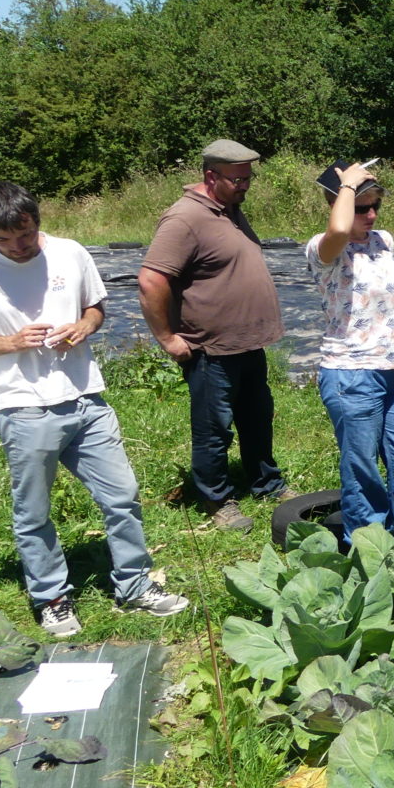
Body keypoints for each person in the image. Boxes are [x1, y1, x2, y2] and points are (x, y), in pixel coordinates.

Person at [0, 182, 189, 638]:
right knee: (34, 510)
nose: (16, 246)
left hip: (85, 396)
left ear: (37, 221)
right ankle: (52, 596)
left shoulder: (71, 253)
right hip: (20, 404)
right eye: (3, 239)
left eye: (25, 235)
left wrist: (84, 326)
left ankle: (133, 585)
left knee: (122, 495)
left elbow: (96, 308)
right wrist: (9, 343)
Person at [138, 138, 287, 532]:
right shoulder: (185, 218)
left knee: (257, 418)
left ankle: (266, 482)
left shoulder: (229, 210)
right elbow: (151, 280)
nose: (245, 186)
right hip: (210, 348)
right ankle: (216, 498)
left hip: (247, 343)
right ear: (210, 176)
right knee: (213, 428)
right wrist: (168, 338)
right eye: (237, 179)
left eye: (248, 178)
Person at [307, 162, 394, 541]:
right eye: (362, 207)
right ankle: (369, 550)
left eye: (375, 206)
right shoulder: (323, 248)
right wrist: (347, 186)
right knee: (364, 474)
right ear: (338, 204)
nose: (371, 215)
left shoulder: (384, 241)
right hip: (352, 374)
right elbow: (339, 229)